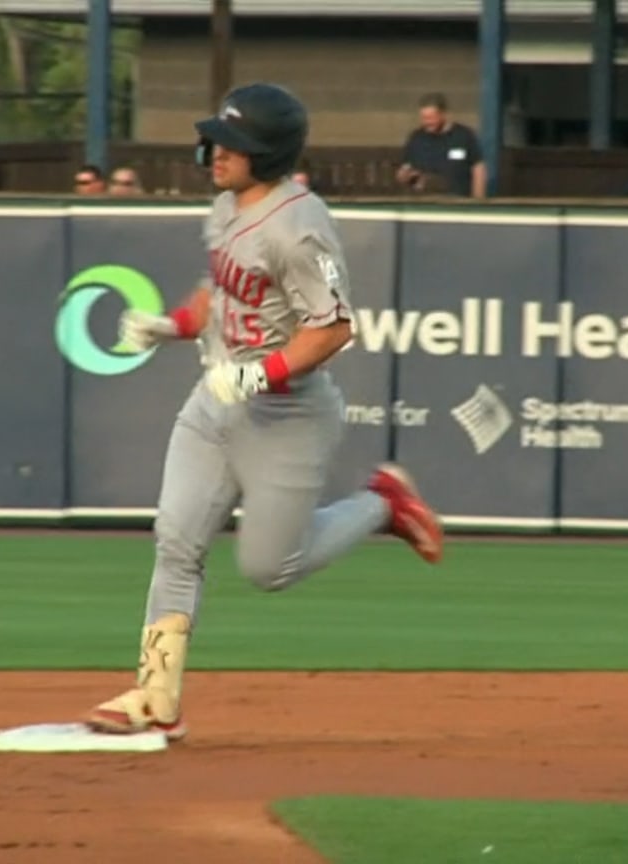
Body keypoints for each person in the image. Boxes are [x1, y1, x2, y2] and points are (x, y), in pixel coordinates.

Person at [82, 82, 446, 741]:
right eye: (217, 138)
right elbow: (218, 295)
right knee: (177, 539)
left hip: (287, 416)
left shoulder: (302, 227)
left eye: (233, 142)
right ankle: (155, 696)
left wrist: (259, 370)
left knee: (268, 569)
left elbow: (333, 327)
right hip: (215, 403)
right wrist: (170, 324)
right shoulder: (225, 207)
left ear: (267, 153)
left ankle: (383, 505)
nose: (217, 151)